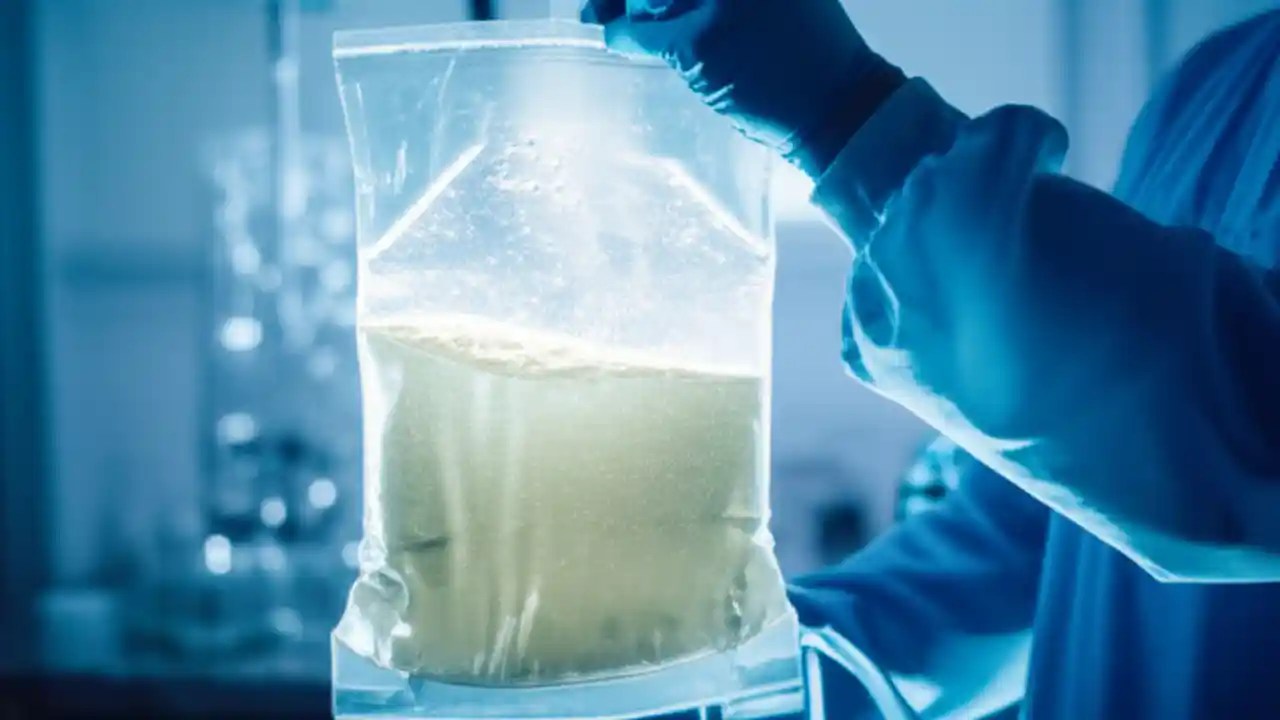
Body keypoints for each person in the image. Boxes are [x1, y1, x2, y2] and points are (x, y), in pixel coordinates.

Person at [581, 1, 1280, 717]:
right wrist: (725, 677)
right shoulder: (1217, 82)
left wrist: (845, 114)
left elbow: (1248, 435)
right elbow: (1038, 547)